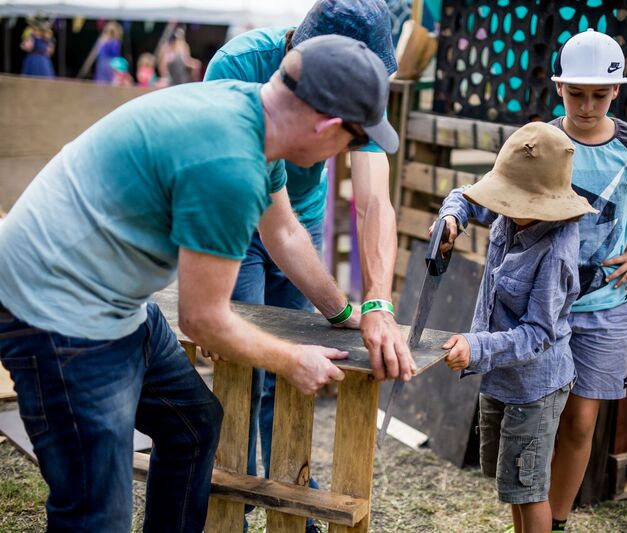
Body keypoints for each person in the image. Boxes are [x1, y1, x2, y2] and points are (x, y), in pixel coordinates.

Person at [0, 34, 397, 532]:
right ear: (328, 125)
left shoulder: (254, 116)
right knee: (95, 512)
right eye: (357, 140)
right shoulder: (230, 167)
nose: (351, 151)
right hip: (55, 313)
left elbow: (286, 232)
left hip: (114, 300)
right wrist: (293, 359)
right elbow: (204, 319)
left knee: (191, 425)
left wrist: (342, 313)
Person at [203, 1, 414, 520]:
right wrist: (341, 309)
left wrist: (377, 305)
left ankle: (288, 485)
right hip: (240, 219)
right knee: (244, 363)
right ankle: (237, 492)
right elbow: (244, 208)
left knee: (296, 364)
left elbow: (373, 202)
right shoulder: (237, 67)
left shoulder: (355, 80)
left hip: (297, 222)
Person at [545, 29, 627, 532]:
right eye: (575, 93)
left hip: (605, 304)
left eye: (598, 95)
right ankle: (530, 514)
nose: (586, 105)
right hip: (545, 304)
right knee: (540, 420)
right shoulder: (541, 138)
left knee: (581, 422)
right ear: (558, 87)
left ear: (617, 91)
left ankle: (557, 520)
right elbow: (503, 197)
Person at [437, 122, 597, 533]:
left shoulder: (557, 252)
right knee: (512, 486)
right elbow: (466, 198)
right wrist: (452, 218)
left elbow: (538, 335)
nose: (502, 206)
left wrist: (476, 348)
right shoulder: (515, 210)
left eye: (510, 200)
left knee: (530, 489)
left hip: (535, 386)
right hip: (501, 377)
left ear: (542, 203)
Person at [20, 14, 55, 78]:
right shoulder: (30, 32)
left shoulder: (47, 33)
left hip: (42, 60)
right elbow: (28, 47)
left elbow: (50, 51)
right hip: (34, 60)